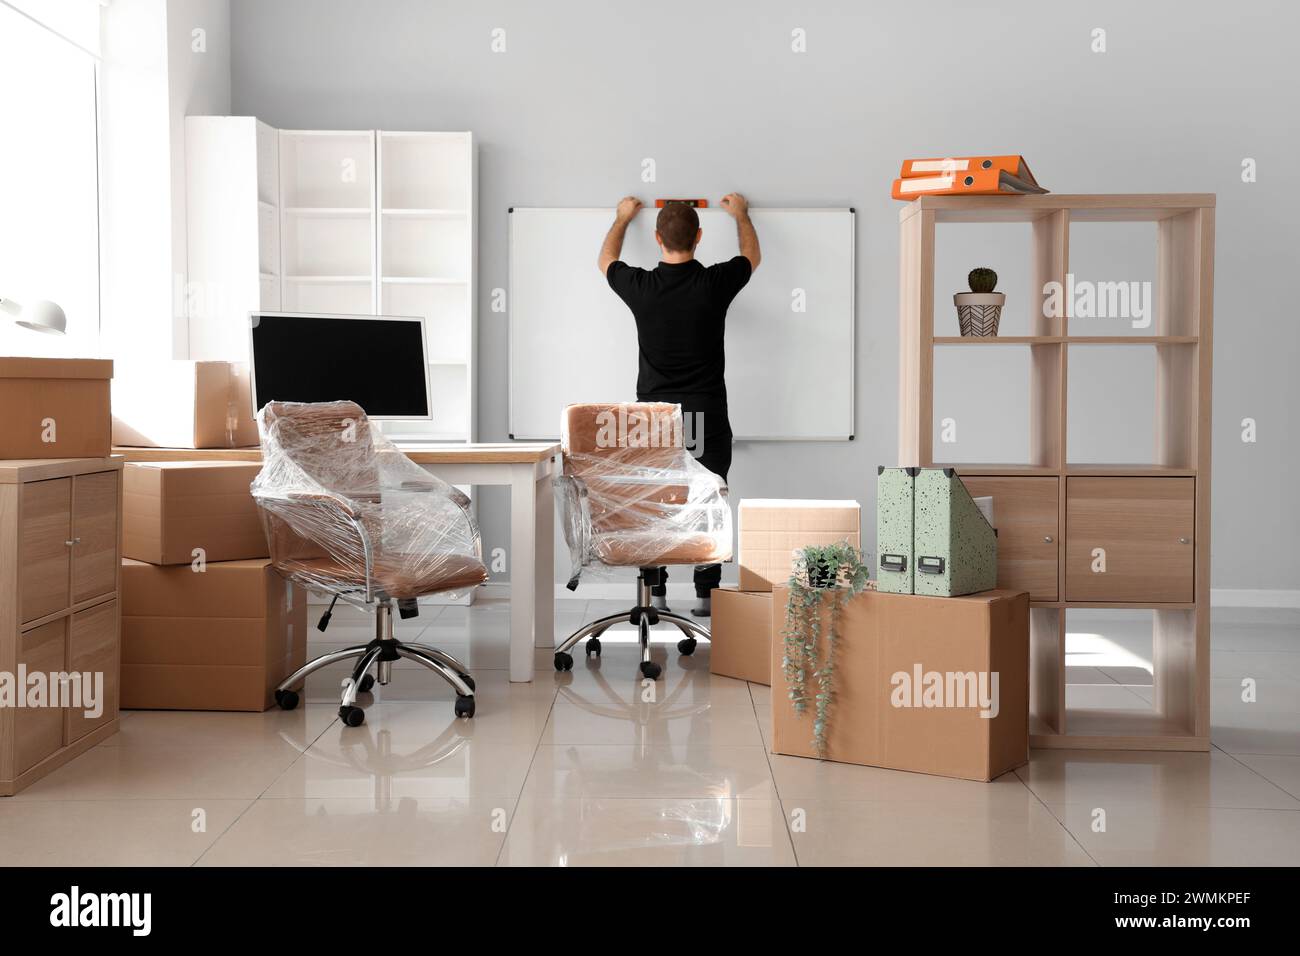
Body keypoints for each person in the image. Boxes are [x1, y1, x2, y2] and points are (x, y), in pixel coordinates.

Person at [598, 193, 760, 617]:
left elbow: (605, 260)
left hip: (655, 419)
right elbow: (751, 255)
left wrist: (620, 219)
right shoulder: (713, 284)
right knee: (710, 500)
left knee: (655, 501)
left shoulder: (641, 287)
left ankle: (656, 593)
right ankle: (707, 595)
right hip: (706, 415)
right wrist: (741, 215)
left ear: (656, 238)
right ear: (700, 237)